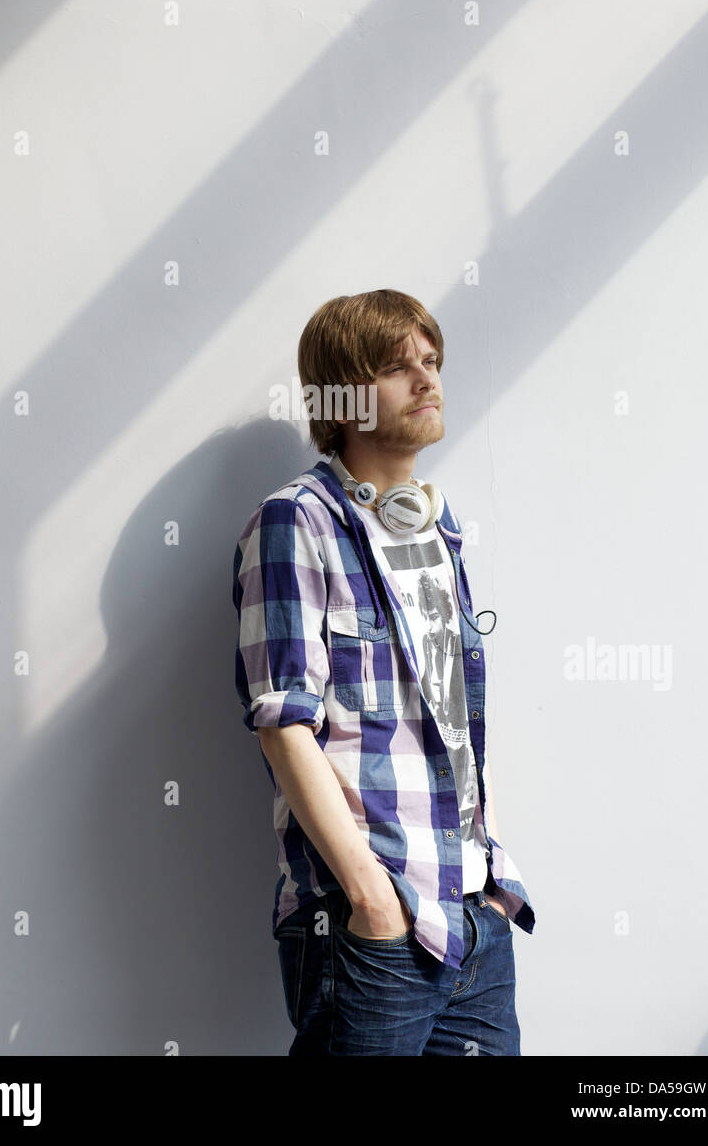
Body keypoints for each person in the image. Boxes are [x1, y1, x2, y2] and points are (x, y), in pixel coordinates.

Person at [232, 289, 535, 1055]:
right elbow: (283, 723)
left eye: (431, 362)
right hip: (369, 926)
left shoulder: (442, 531)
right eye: (398, 368)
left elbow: (459, 719)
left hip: (473, 916)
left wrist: (494, 875)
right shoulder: (296, 521)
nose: (428, 379)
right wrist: (373, 899)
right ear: (338, 398)